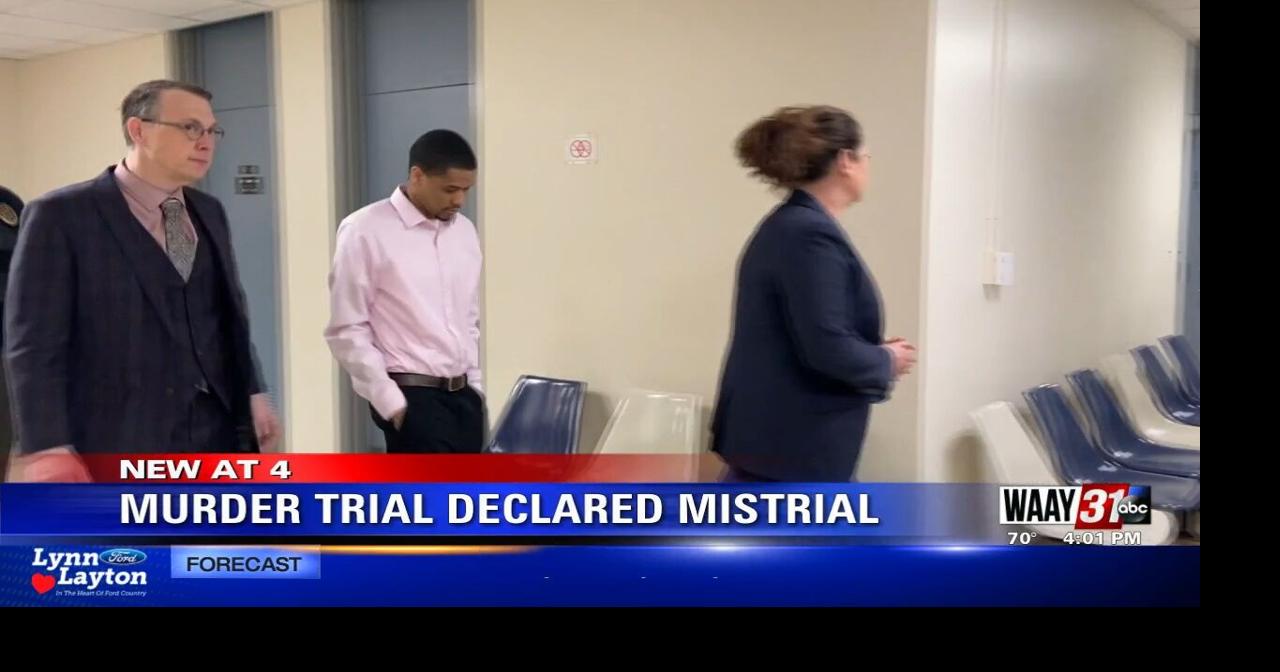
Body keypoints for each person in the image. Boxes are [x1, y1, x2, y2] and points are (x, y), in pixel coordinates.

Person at [3, 80, 280, 482]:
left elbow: (228, 318)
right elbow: (34, 342)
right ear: (139, 130)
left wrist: (253, 390)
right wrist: (47, 444)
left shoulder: (209, 211)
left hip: (216, 434)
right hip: (117, 438)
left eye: (211, 130)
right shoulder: (62, 215)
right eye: (190, 128)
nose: (206, 142)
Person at [711, 105, 917, 482]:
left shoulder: (795, 226)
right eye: (867, 157)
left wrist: (873, 353)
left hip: (781, 446)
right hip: (791, 450)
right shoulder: (809, 235)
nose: (869, 167)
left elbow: (812, 330)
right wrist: (886, 359)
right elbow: (827, 347)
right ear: (846, 161)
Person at [326, 130, 484, 453]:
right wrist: (390, 401)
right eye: (450, 189)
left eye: (466, 190)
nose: (459, 200)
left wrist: (476, 386)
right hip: (412, 398)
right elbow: (347, 328)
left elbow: (468, 317)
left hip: (464, 399)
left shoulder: (465, 232)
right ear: (417, 176)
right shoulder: (365, 229)